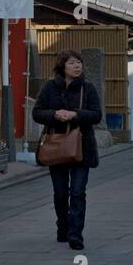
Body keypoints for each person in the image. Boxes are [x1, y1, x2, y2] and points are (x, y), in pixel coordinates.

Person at [33, 50, 102, 250]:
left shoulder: (88, 88)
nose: (77, 66)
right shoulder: (49, 87)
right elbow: (36, 113)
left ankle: (76, 234)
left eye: (79, 62)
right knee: (61, 193)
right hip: (56, 147)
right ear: (62, 66)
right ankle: (62, 224)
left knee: (78, 192)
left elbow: (97, 115)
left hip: (81, 147)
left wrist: (75, 114)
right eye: (72, 63)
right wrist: (55, 114)